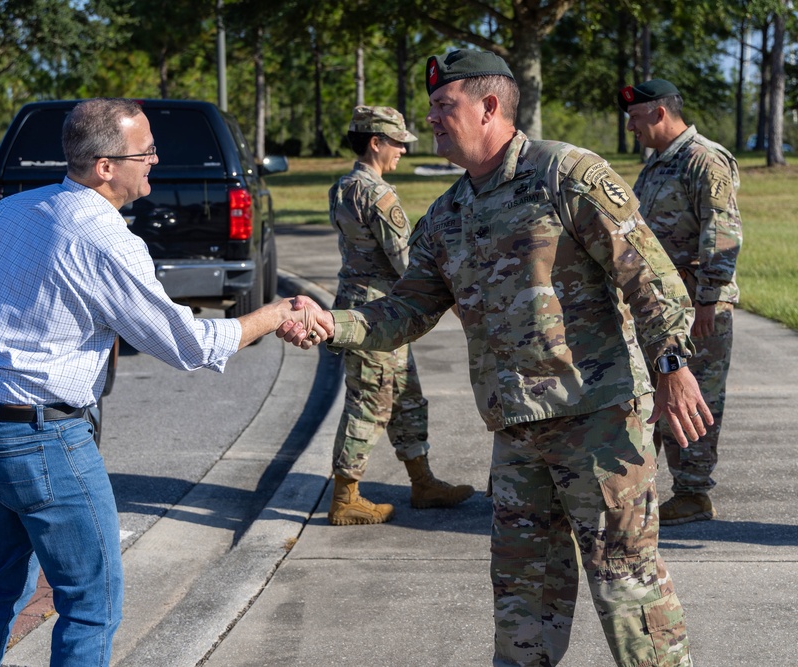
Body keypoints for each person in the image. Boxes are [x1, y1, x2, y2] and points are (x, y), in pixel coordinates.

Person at [282, 50, 712, 667]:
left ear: (489, 106)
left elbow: (651, 278)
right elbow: (403, 312)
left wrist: (673, 367)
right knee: (521, 600)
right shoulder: (448, 214)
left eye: (441, 105)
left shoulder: (565, 173)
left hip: (600, 421)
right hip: (515, 435)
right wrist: (330, 324)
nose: (428, 119)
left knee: (628, 592)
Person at [0, 98, 319, 666]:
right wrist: (277, 314)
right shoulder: (104, 238)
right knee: (91, 603)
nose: (157, 161)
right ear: (105, 166)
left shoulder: (14, 210)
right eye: (147, 152)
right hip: (43, 439)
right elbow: (189, 345)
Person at [326, 105, 474, 526]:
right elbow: (407, 260)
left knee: (406, 395)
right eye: (397, 143)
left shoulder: (343, 187)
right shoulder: (378, 194)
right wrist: (455, 292)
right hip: (379, 315)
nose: (403, 152)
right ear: (376, 143)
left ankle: (422, 481)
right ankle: (345, 496)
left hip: (363, 306)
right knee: (369, 400)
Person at [622, 79, 743, 526]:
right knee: (653, 394)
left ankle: (693, 493)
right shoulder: (656, 164)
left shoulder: (703, 159)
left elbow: (722, 232)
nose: (630, 125)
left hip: (698, 307)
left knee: (697, 396)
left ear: (659, 113)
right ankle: (644, 486)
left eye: (636, 116)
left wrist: (709, 299)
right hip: (663, 308)